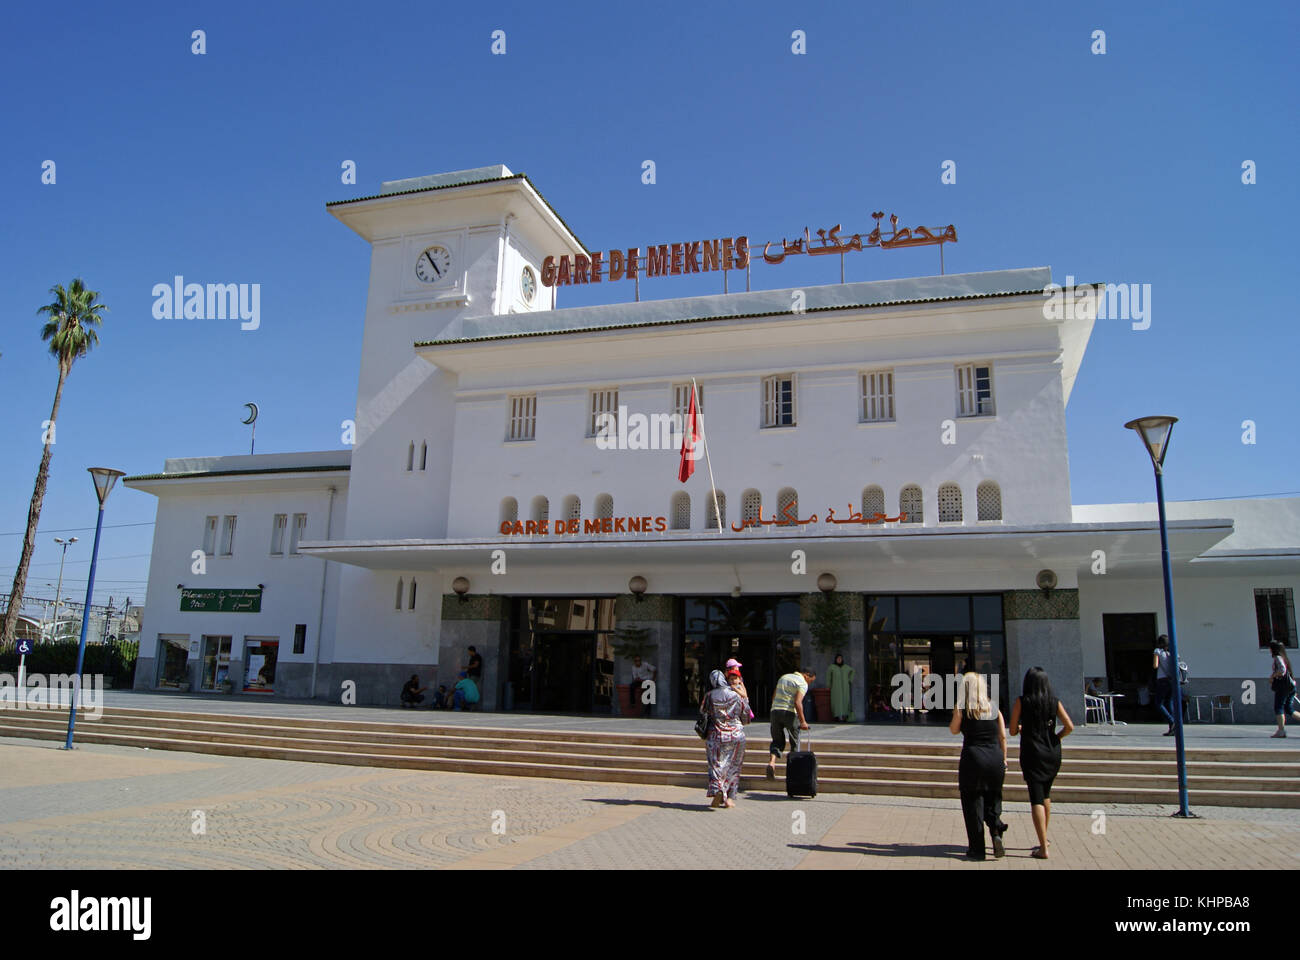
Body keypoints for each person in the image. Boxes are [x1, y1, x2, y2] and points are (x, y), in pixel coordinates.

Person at [1009, 667, 1074, 859]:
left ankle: (1044, 848)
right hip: (1052, 752)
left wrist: (1021, 728)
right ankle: (1043, 839)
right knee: (1046, 794)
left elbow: (1012, 730)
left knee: (1036, 797)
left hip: (1032, 752)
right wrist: (1056, 738)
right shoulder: (1054, 702)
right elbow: (1069, 726)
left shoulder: (1022, 701)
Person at [949, 672, 1008, 860]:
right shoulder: (994, 707)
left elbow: (953, 729)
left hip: (973, 759)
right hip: (995, 759)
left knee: (973, 803)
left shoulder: (963, 708)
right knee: (993, 799)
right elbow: (1002, 736)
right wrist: (1004, 759)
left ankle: (977, 849)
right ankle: (996, 830)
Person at [701, 668, 750, 808]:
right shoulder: (735, 695)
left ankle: (718, 789)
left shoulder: (709, 696)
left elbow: (702, 712)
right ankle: (729, 798)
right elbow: (746, 715)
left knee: (716, 764)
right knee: (733, 766)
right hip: (736, 735)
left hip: (715, 735)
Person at [764, 668, 815, 780]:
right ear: (807, 675)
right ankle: (793, 772)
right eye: (811, 680)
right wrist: (803, 722)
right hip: (790, 713)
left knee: (777, 741)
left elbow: (774, 697)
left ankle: (772, 763)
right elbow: (797, 703)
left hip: (775, 711)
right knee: (794, 742)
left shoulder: (784, 677)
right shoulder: (802, 683)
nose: (809, 683)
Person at [1268, 642, 1300, 737]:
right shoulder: (1284, 658)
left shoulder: (1278, 657)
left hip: (1283, 687)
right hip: (1290, 686)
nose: (1269, 650)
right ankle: (1281, 730)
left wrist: (1273, 676)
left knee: (1278, 707)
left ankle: (1281, 731)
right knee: (1288, 709)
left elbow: (1282, 670)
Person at [1153, 634, 1177, 735]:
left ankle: (1172, 721)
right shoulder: (1172, 652)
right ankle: (1172, 728)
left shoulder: (1157, 651)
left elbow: (1155, 665)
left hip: (1162, 680)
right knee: (1169, 702)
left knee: (1159, 703)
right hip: (1172, 680)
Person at [828, 653, 855, 721]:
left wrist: (850, 680)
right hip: (835, 687)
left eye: (840, 659)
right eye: (838, 659)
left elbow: (853, 671)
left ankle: (845, 716)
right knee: (836, 701)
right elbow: (828, 676)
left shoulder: (846, 667)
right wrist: (829, 685)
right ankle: (836, 716)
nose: (839, 660)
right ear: (835, 659)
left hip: (845, 687)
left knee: (845, 700)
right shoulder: (832, 667)